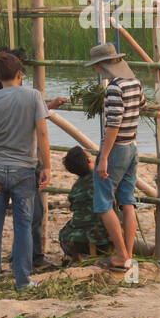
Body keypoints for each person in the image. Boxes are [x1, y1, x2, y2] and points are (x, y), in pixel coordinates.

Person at [0, 46, 65, 270]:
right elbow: (39, 130)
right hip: (24, 168)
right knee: (27, 219)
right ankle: (26, 267)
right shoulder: (31, 97)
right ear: (18, 76)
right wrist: (47, 165)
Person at [85, 42, 144, 271]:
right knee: (127, 201)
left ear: (101, 66)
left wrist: (104, 157)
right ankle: (127, 254)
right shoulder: (135, 83)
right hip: (132, 147)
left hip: (117, 148)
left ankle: (120, 255)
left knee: (103, 203)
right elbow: (142, 105)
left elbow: (112, 125)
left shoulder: (113, 89)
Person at [56, 146, 113, 262]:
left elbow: (73, 206)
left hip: (76, 241)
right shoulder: (103, 179)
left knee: (63, 235)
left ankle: (77, 256)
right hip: (104, 240)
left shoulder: (76, 188)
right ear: (89, 160)